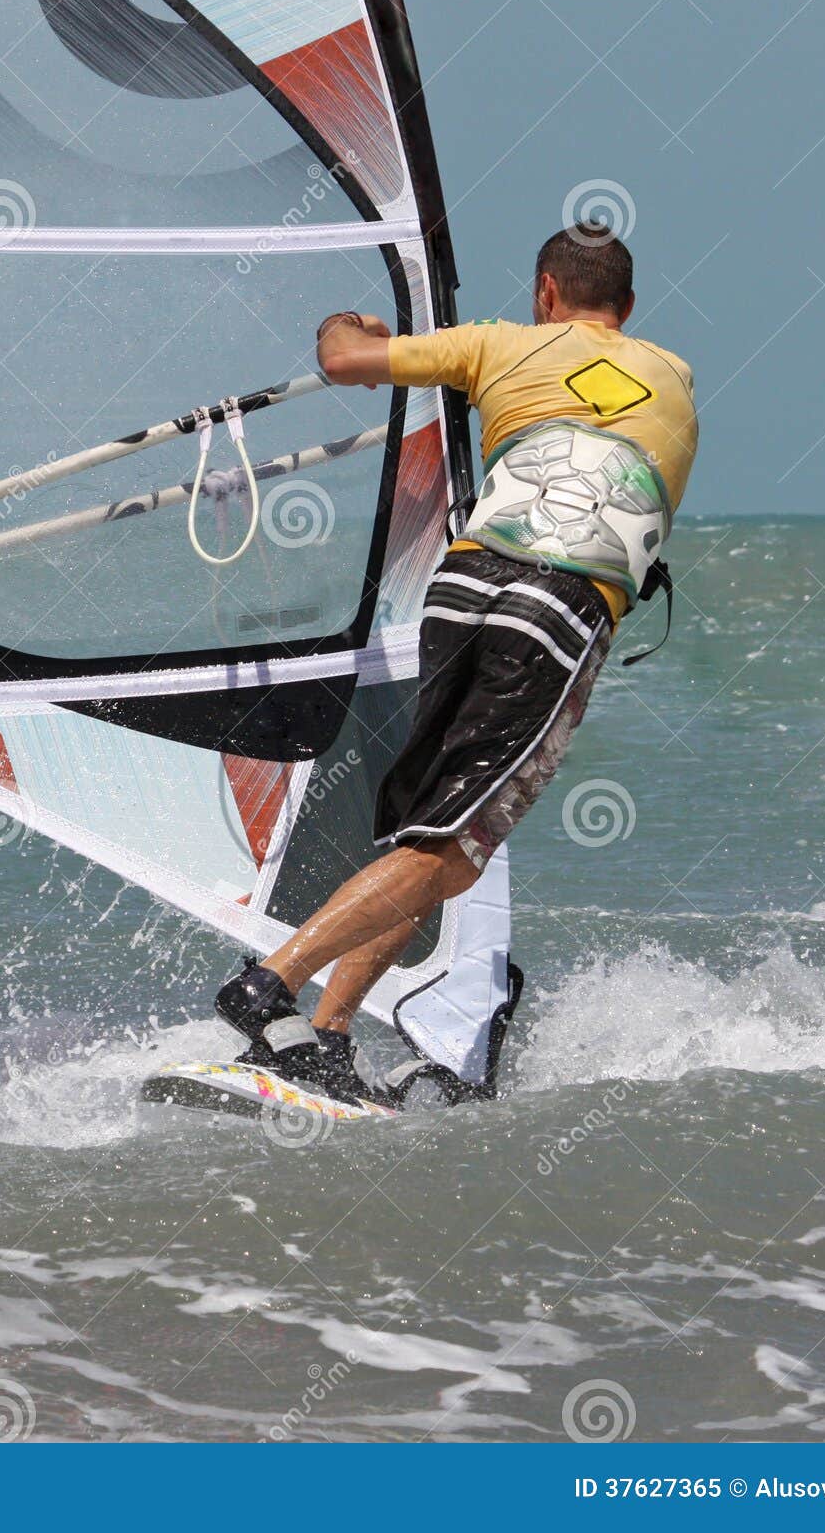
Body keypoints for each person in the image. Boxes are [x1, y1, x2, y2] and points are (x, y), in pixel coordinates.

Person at [215, 224, 698, 1104]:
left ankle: (323, 1036)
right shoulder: (670, 373)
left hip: (462, 584)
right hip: (558, 602)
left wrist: (349, 319)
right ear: (624, 308)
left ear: (545, 291)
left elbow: (344, 359)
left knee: (428, 834)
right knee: (457, 846)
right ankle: (268, 985)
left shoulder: (493, 345)